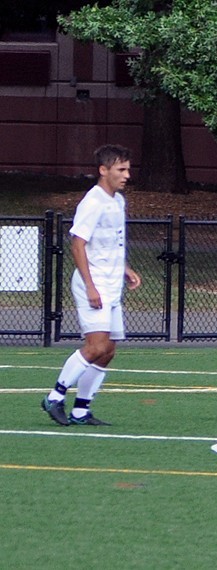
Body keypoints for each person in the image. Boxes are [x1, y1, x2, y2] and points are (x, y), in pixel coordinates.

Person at [41, 144, 141, 426]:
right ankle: (54, 397)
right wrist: (90, 286)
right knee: (96, 346)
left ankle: (81, 410)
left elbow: (110, 242)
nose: (126, 175)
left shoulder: (117, 201)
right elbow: (77, 244)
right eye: (121, 169)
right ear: (103, 170)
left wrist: (124, 269)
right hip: (93, 284)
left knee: (108, 349)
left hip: (111, 284)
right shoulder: (93, 201)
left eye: (128, 169)